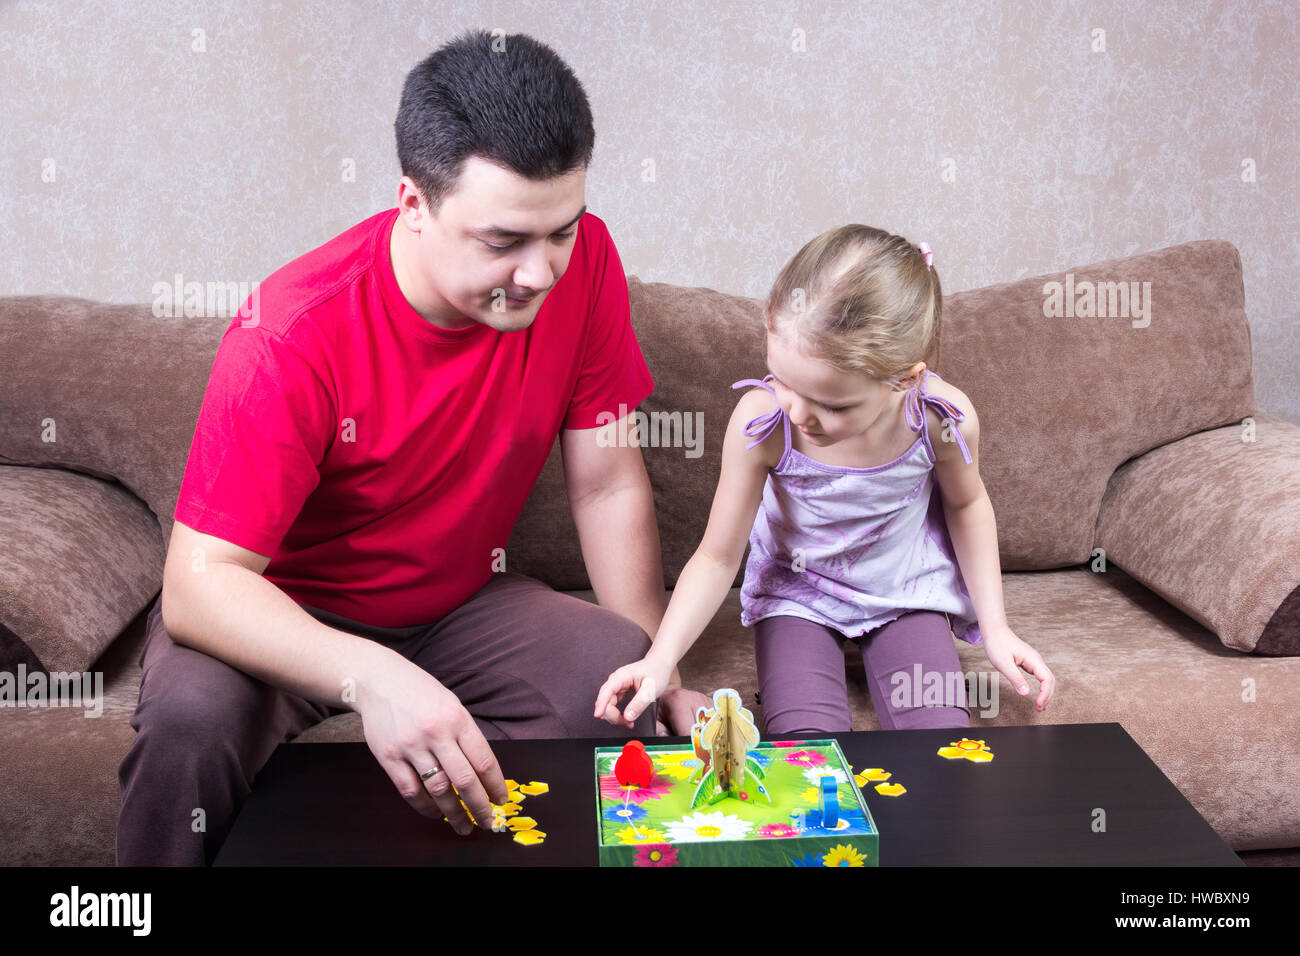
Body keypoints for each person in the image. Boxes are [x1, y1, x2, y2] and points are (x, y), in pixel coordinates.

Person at [117, 29, 708, 867]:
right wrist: (375, 679)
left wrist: (660, 675)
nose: (540, 273)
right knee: (190, 729)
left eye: (561, 232)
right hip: (282, 613)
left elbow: (608, 486)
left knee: (609, 681)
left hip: (460, 604)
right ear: (413, 206)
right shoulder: (290, 333)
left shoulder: (589, 263)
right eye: (503, 242)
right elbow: (199, 586)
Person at [595, 226, 1055, 736]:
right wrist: (660, 660)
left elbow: (968, 507)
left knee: (943, 739)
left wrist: (996, 627)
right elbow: (717, 556)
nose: (799, 413)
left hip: (903, 593)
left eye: (832, 404)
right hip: (798, 595)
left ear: (905, 378)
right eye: (782, 380)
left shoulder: (942, 419)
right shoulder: (764, 421)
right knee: (804, 747)